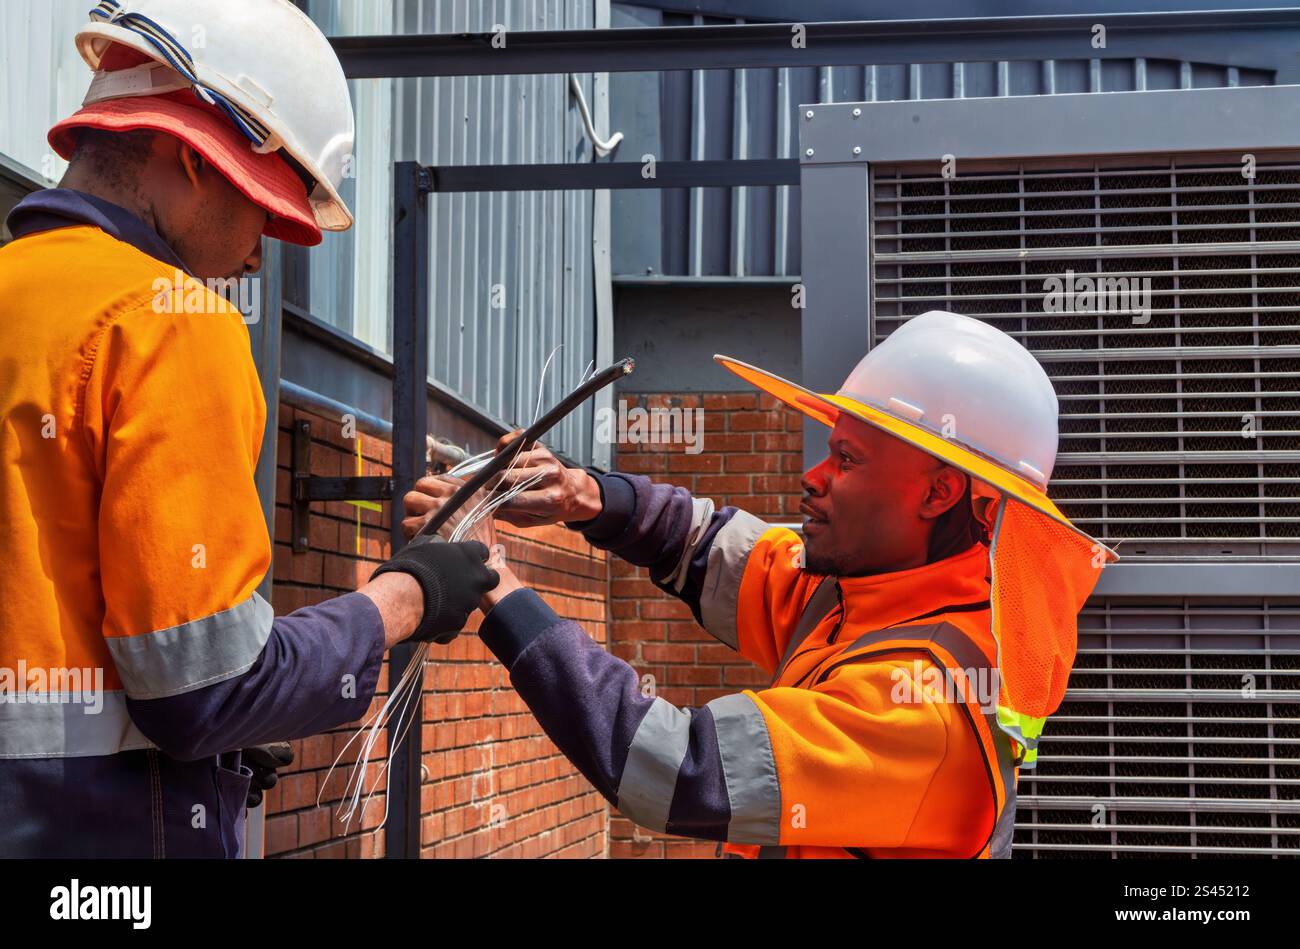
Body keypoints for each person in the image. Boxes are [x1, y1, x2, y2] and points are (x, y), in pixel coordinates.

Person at [0, 0, 497, 857]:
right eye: (266, 212)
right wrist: (403, 599)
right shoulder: (174, 323)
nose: (263, 255)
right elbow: (203, 694)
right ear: (191, 157)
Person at [404, 310, 1115, 858]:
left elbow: (679, 768)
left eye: (846, 457)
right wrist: (580, 494)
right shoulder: (869, 592)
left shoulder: (926, 698)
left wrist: (495, 580)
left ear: (939, 492)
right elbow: (715, 546)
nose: (814, 476)